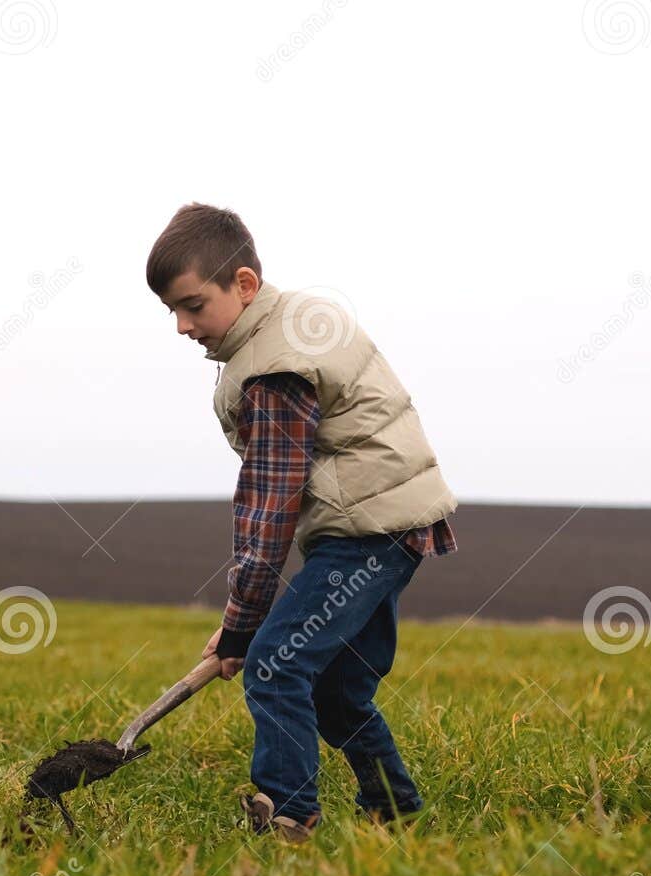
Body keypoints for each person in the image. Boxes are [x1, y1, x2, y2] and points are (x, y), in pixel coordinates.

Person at [146, 203, 459, 842]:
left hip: (367, 532)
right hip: (390, 524)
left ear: (244, 286)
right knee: (338, 690)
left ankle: (289, 816)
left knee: (275, 665)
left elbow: (269, 506)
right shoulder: (292, 325)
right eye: (170, 311)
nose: (181, 326)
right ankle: (394, 812)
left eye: (193, 306)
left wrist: (241, 627)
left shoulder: (274, 369)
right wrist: (244, 624)